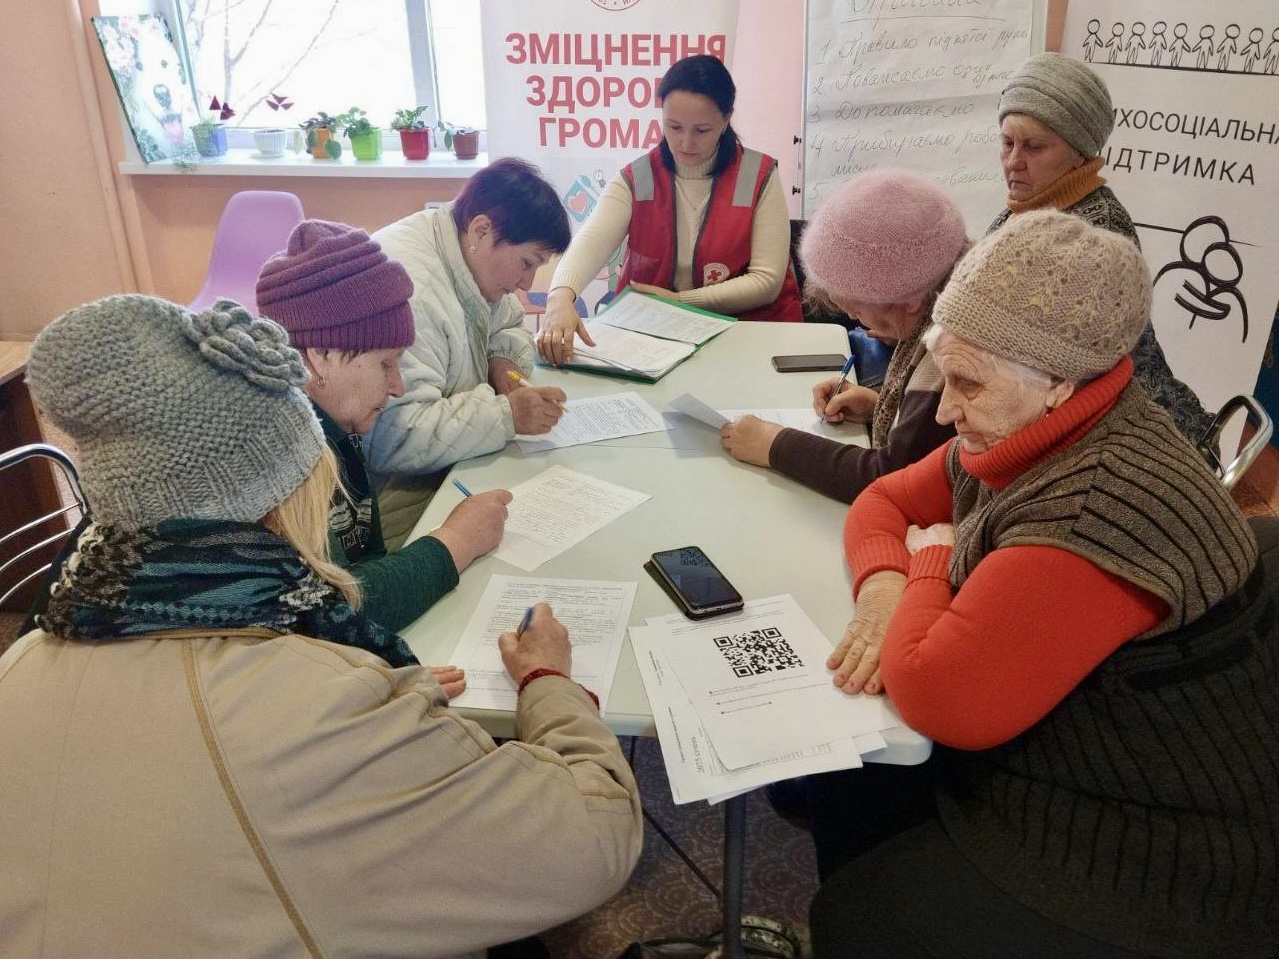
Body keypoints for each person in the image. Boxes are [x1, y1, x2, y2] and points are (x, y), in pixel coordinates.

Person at [0, 295, 642, 957]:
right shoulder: (311, 703)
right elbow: (595, 836)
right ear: (291, 490)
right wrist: (545, 681)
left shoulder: (21, 664)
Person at [809, 212, 1278, 959]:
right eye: (943, 369)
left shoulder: (1098, 502)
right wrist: (881, 590)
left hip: (1160, 835)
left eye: (966, 381)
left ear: (1059, 381)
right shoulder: (1017, 426)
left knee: (856, 904)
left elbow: (938, 695)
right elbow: (883, 502)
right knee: (832, 785)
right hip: (1089, 737)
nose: (944, 407)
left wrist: (927, 561)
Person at [254, 219, 511, 633]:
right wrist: (458, 540)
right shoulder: (277, 462)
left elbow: (364, 562)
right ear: (320, 355)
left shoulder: (337, 424)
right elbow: (332, 615)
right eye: (385, 364)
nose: (398, 385)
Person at [990, 51, 1213, 442]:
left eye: (1035, 148)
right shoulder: (1025, 211)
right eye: (1007, 142)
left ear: (1080, 156)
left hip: (1121, 439)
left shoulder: (1097, 235)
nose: (1013, 162)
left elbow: (1060, 383)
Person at [719, 169, 967, 504]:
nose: (855, 320)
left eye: (858, 309)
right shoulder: (945, 299)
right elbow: (930, 439)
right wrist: (880, 406)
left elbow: (893, 480)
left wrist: (775, 444)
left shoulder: (953, 356)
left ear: (909, 297)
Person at [538, 54, 802, 366]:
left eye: (701, 130)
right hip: (660, 338)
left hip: (750, 333)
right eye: (673, 126)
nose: (685, 142)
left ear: (727, 117)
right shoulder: (638, 177)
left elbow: (766, 282)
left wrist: (680, 302)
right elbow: (593, 239)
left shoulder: (758, 176)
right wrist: (560, 296)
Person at [368, 158, 572, 546]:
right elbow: (394, 439)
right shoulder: (416, 294)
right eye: (526, 263)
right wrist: (507, 414)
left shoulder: (464, 251)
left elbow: (508, 323)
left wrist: (504, 365)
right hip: (389, 493)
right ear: (482, 230)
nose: (527, 283)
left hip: (447, 461)